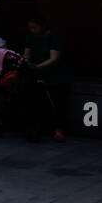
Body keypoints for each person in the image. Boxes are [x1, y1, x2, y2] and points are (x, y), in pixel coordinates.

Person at [25, 13, 69, 142]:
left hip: (53, 73)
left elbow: (54, 58)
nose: (32, 31)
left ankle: (58, 129)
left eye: (34, 28)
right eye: (30, 28)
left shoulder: (52, 38)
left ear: (42, 27)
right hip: (35, 71)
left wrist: (38, 66)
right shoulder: (30, 38)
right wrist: (28, 62)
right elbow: (26, 54)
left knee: (56, 99)